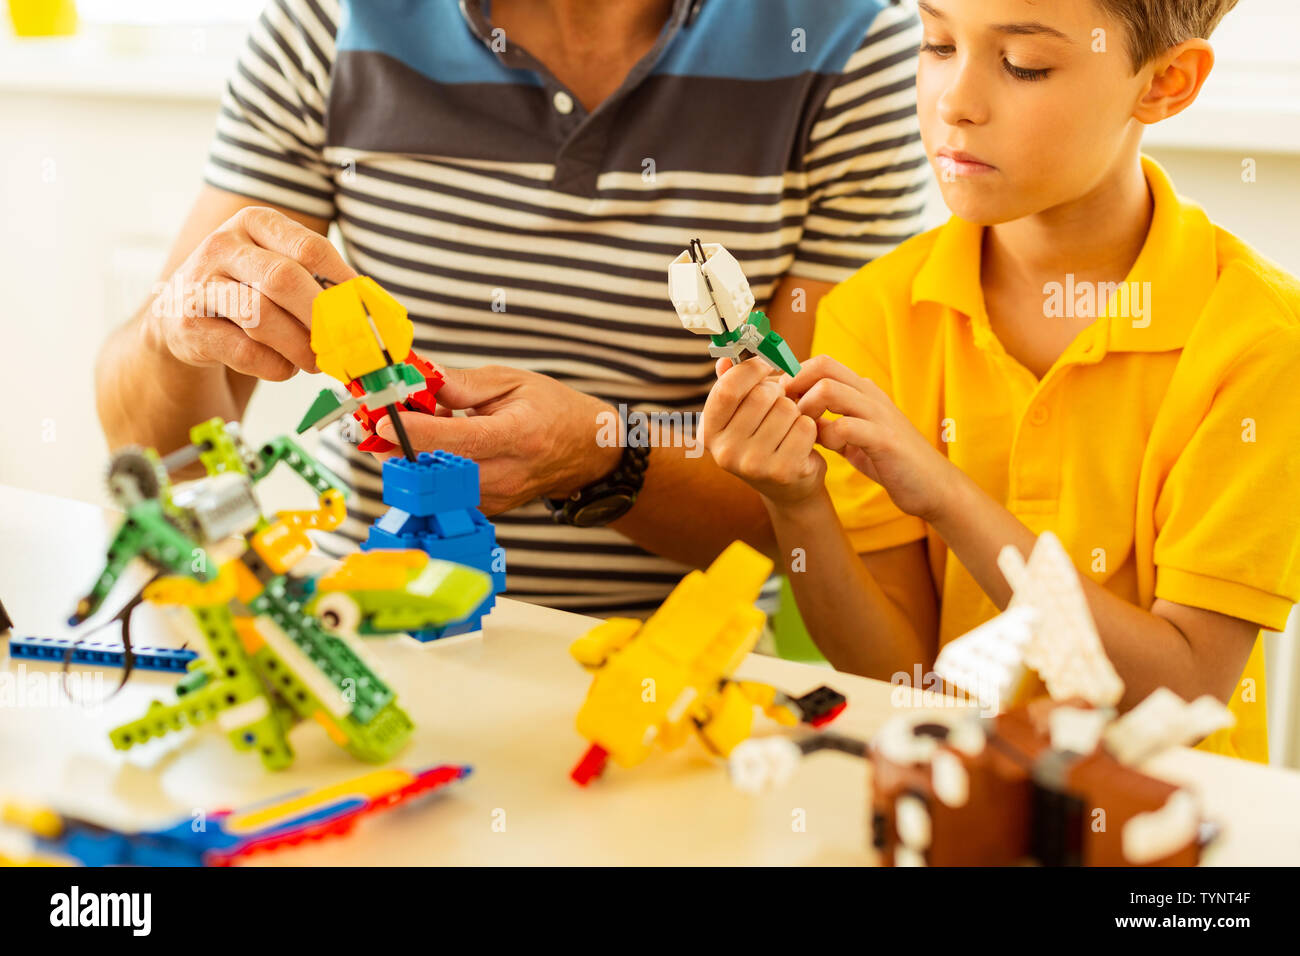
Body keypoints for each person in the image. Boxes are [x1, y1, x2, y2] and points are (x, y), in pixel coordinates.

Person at [93, 0, 930, 619]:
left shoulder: (853, 49)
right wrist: (175, 329)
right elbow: (161, 461)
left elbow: (817, 504)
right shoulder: (326, 24)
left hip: (662, 675)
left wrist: (603, 460)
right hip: (375, 635)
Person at [700, 0, 1299, 761]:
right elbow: (895, 677)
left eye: (1023, 65)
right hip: (952, 808)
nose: (955, 102)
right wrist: (799, 502)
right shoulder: (875, 315)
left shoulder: (1260, 340)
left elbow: (1185, 690)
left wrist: (944, 495)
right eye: (939, 44)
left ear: (1166, 83)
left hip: (1163, 837)